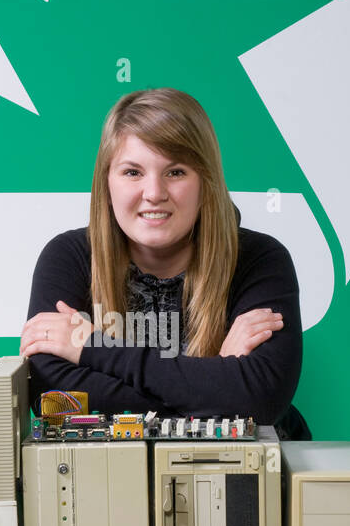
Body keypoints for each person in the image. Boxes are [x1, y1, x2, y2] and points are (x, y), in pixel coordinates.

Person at [20, 88, 311, 437]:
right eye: (132, 172)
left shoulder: (259, 260)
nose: (154, 193)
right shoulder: (69, 258)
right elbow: (54, 402)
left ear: (206, 182)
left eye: (175, 172)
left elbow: (259, 403)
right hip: (109, 478)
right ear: (106, 181)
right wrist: (215, 375)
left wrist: (92, 347)